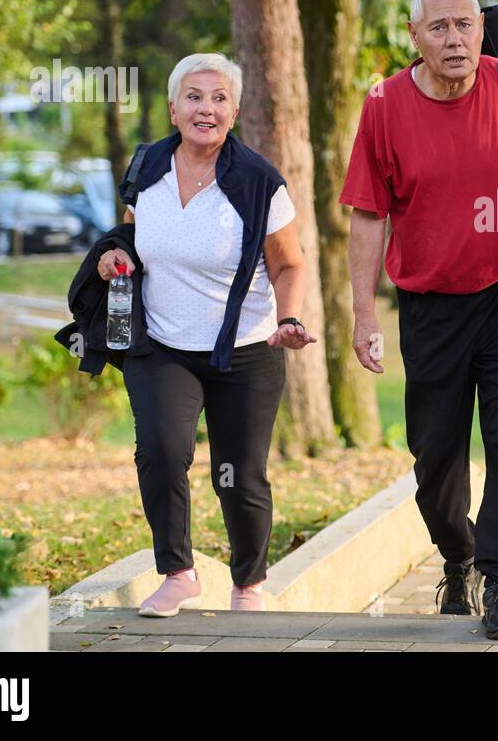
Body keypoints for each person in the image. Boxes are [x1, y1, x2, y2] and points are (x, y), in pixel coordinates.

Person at [339, 0, 498, 640]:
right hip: (429, 304)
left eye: (465, 25)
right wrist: (363, 313)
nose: (455, 39)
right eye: (439, 28)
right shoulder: (385, 103)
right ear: (415, 38)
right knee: (435, 454)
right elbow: (367, 213)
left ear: (482, 29)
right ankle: (460, 555)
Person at [96, 52, 316, 617]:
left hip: (244, 349)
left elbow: (290, 264)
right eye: (194, 97)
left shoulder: (259, 182)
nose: (206, 109)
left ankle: (248, 585)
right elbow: (133, 233)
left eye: (219, 99)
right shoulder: (147, 168)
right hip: (162, 346)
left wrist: (288, 320)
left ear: (235, 111)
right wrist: (115, 256)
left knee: (239, 474)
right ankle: (178, 572)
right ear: (173, 109)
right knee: (163, 451)